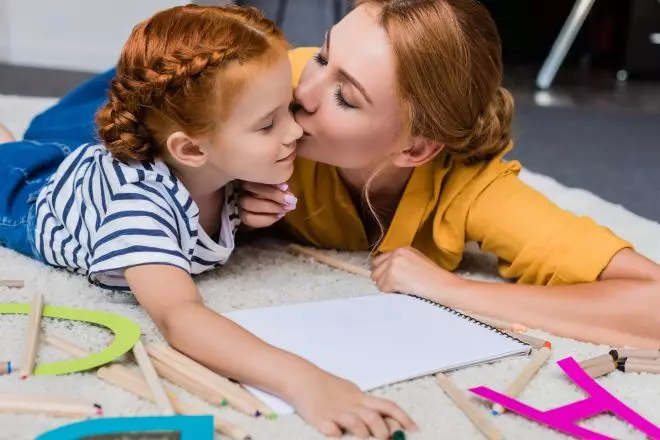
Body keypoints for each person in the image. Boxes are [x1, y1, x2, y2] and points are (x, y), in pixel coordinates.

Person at [0, 5, 416, 439]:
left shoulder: (220, 161)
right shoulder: (138, 211)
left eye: (287, 107)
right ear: (193, 152)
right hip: (28, 192)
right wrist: (306, 382)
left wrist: (249, 221)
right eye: (267, 124)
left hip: (94, 163)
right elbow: (180, 317)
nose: (295, 131)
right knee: (13, 153)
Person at [240, 0, 660, 349]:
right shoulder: (277, 81)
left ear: (415, 148)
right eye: (323, 55)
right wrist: (223, 201)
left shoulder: (473, 189)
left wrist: (452, 291)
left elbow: (653, 303)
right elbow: (176, 150)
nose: (303, 93)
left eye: (346, 98)